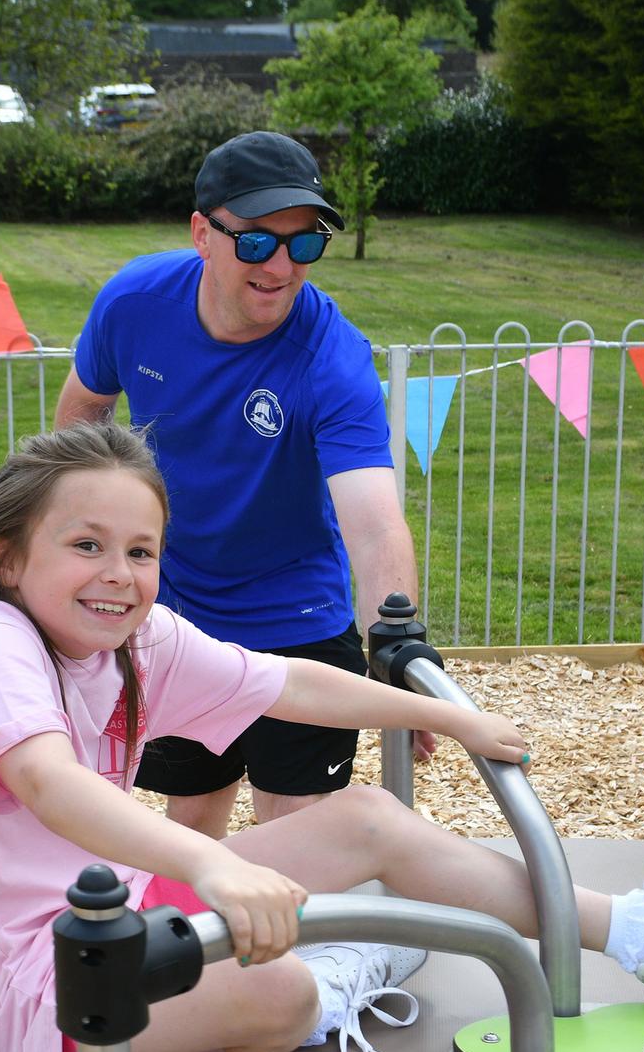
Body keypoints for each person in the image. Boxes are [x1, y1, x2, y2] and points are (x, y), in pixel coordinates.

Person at [0, 422, 644, 1052]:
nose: (119, 574)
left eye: (142, 552)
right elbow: (46, 783)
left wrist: (441, 712)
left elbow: (288, 683)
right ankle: (327, 988)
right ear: (7, 556)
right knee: (279, 994)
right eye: (85, 545)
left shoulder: (128, 643)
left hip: (125, 905)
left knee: (368, 816)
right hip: (45, 994)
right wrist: (211, 861)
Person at [54, 130, 432, 842]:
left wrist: (395, 645)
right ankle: (206, 952)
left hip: (299, 620)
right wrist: (81, 537)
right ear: (204, 233)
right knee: (193, 822)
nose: (283, 267)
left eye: (304, 243)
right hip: (178, 616)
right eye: (257, 242)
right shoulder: (135, 302)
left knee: (292, 837)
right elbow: (82, 408)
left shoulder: (332, 359)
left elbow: (375, 525)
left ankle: (304, 951)